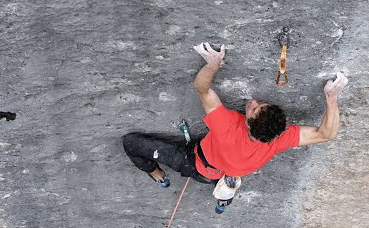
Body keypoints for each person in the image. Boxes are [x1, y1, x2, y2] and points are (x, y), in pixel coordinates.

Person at [122, 42, 348, 213]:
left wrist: (212, 66)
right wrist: (331, 97)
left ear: (249, 125)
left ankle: (157, 175)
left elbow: (202, 89)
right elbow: (326, 134)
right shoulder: (278, 139)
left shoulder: (227, 127)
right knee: (227, 182)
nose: (252, 103)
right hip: (226, 172)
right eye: (260, 104)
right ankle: (223, 200)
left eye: (253, 109)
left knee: (131, 143)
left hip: (196, 164)